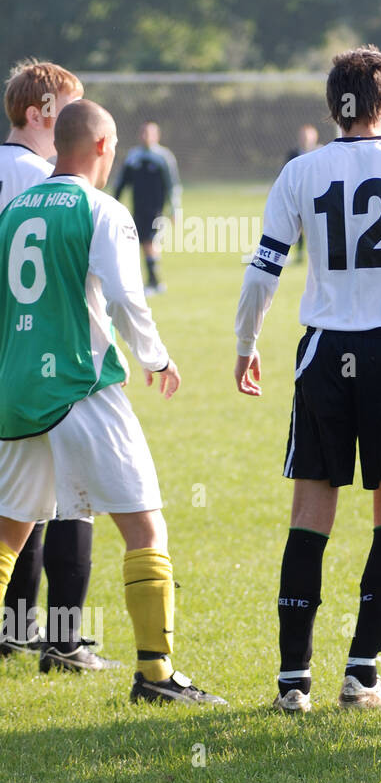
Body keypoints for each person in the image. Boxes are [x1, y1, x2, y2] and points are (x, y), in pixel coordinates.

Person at [234, 45, 381, 713]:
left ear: (334, 106)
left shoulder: (300, 171)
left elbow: (262, 270)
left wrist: (246, 344)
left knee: (310, 514)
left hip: (323, 351)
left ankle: (292, 683)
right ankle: (361, 674)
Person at [0, 100, 223, 704]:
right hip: (79, 386)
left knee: (9, 535)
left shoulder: (13, 210)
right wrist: (156, 358)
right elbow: (127, 298)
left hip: (17, 391)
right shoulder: (101, 209)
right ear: (102, 147)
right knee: (146, 527)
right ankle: (156, 677)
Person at [0, 59, 113, 673]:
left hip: (5, 354)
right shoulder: (46, 180)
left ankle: (18, 628)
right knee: (70, 493)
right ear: (43, 114)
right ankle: (64, 641)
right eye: (69, 108)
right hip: (40, 359)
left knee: (21, 497)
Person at [112, 121, 180, 294]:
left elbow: (172, 185)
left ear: (156, 136)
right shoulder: (133, 156)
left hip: (156, 209)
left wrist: (174, 209)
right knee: (141, 243)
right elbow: (122, 182)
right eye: (143, 133)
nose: (145, 137)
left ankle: (155, 282)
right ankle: (152, 281)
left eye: (149, 133)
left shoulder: (163, 157)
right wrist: (114, 202)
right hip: (138, 208)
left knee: (149, 242)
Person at [284, 124, 320, 264]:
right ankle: (298, 253)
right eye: (303, 136)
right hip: (298, 196)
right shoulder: (293, 155)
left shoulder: (321, 154)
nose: (305, 139)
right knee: (296, 223)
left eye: (308, 136)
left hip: (316, 196)